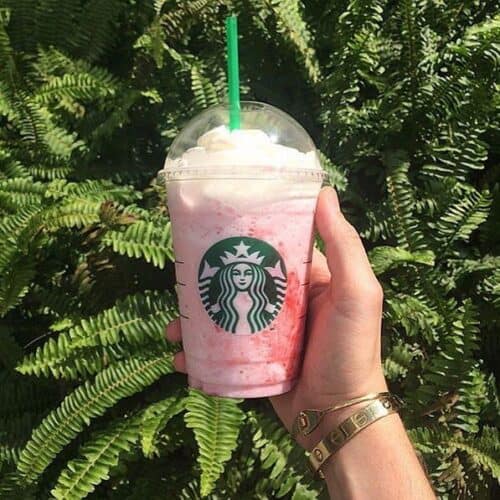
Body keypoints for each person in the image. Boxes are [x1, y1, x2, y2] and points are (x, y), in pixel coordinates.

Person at [166, 187, 436, 499]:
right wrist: (343, 409)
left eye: (247, 271)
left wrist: (345, 401)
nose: (241, 277)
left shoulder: (260, 300)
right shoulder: (225, 301)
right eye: (234, 271)